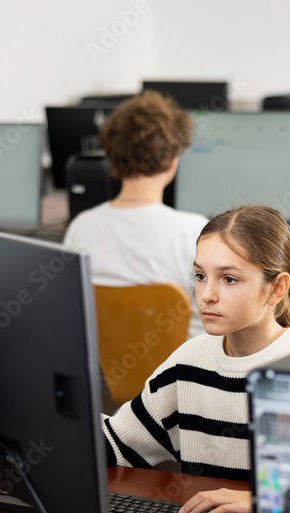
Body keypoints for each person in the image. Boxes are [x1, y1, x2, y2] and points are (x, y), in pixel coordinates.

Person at [0, 205, 290, 513]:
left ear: (277, 288)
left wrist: (263, 502)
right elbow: (114, 443)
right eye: (200, 276)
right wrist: (4, 456)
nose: (207, 294)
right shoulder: (190, 361)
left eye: (230, 279)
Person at [63, 90, 208, 339]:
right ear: (173, 161)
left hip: (106, 375)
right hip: (183, 373)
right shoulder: (194, 232)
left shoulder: (81, 228)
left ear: (112, 158)